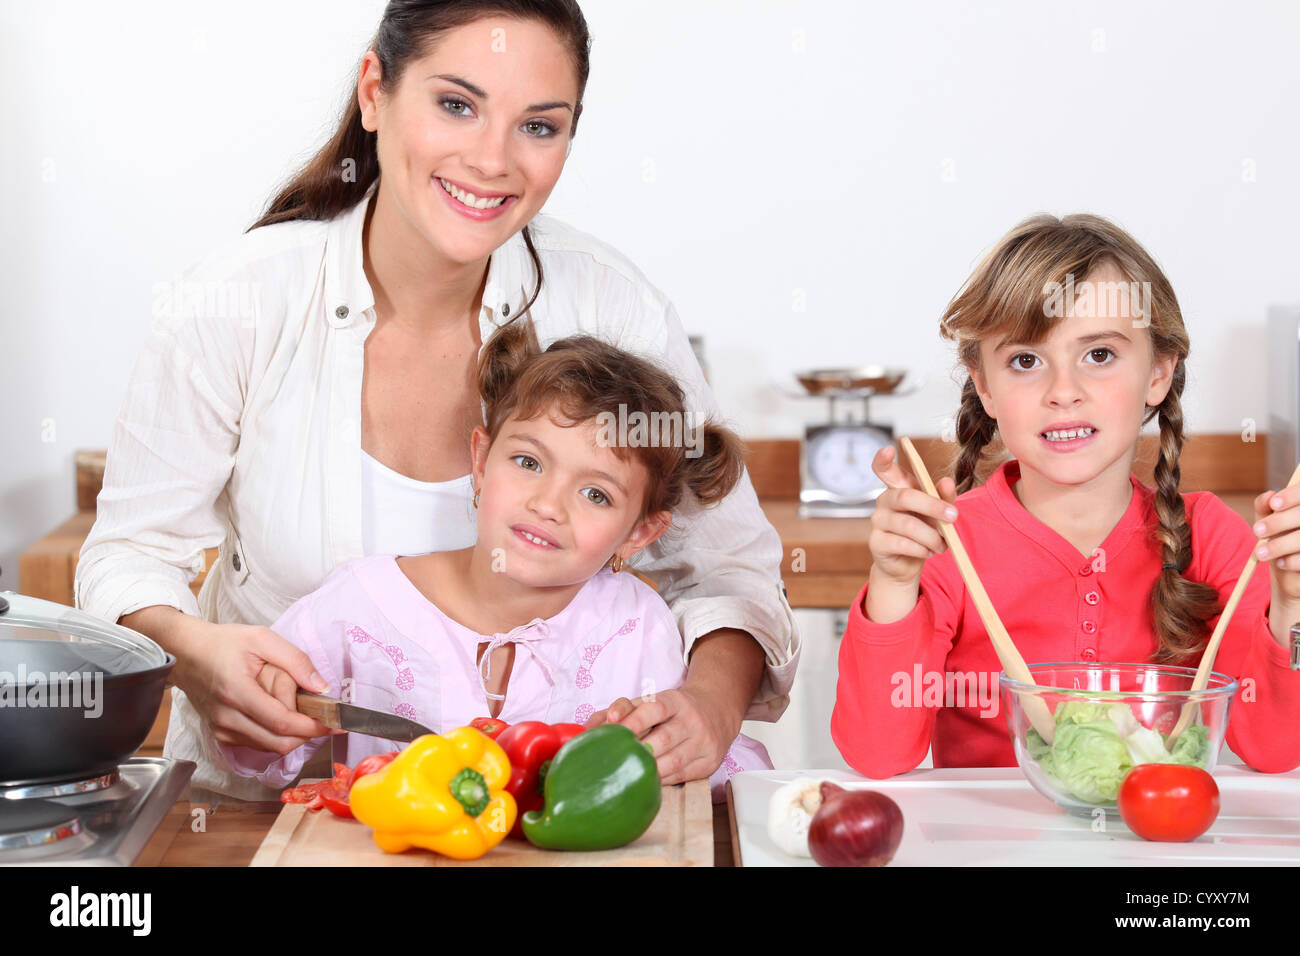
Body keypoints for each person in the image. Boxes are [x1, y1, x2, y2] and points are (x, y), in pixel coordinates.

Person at [75, 0, 798, 801]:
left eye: (539, 125)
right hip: (263, 816)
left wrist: (709, 705)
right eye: (457, 105)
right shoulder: (237, 300)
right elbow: (128, 555)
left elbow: (728, 569)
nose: (493, 160)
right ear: (375, 93)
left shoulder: (614, 308)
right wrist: (191, 654)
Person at [217, 323, 772, 801]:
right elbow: (255, 753)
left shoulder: (638, 624)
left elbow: (711, 774)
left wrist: (673, 750)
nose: (547, 505)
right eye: (528, 461)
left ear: (638, 534)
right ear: (480, 463)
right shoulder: (356, 603)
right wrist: (259, 713)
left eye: (596, 494)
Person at [831, 213, 1300, 778]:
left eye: (1099, 355)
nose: (1063, 392)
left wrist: (1292, 603)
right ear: (985, 387)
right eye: (1026, 361)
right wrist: (894, 583)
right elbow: (877, 756)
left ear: (1158, 373)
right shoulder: (948, 544)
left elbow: (1276, 750)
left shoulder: (1212, 537)